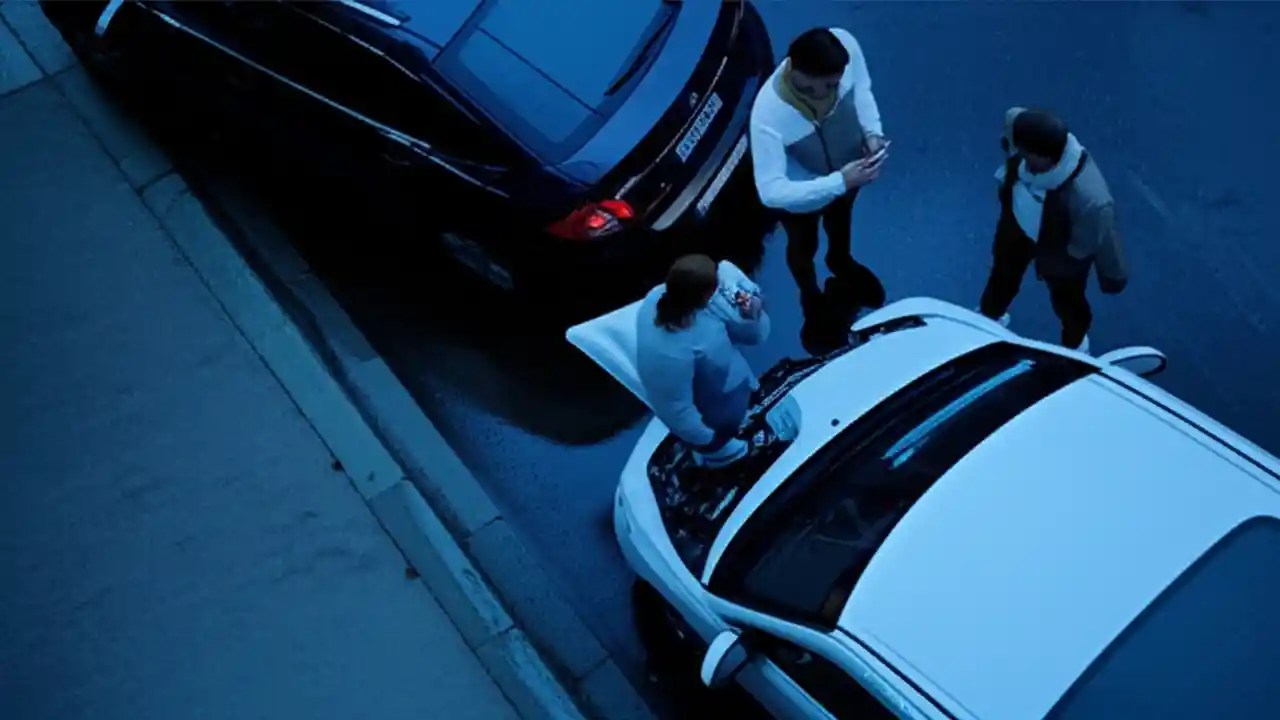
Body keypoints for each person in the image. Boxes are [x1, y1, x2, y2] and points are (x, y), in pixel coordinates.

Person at [749, 26, 889, 336]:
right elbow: (770, 191)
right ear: (801, 74)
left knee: (841, 224)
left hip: (847, 174)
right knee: (803, 245)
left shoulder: (845, 46)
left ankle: (839, 259)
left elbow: (861, 90)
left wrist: (872, 133)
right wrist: (839, 182)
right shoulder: (768, 115)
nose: (834, 90)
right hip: (804, 198)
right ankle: (808, 291)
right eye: (828, 85)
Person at [978, 107, 1129, 353]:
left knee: (1068, 302)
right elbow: (1012, 118)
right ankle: (990, 316)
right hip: (1017, 229)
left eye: (1026, 154)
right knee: (1002, 277)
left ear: (1045, 157)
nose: (1019, 156)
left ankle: (1076, 346)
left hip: (1060, 252)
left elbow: (1100, 239)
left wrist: (1110, 275)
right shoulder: (1024, 138)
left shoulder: (1089, 198)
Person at [636, 254, 770, 467]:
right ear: (703, 295)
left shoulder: (660, 296)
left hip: (733, 391)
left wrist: (748, 311)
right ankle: (727, 461)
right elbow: (673, 408)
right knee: (738, 461)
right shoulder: (670, 353)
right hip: (717, 418)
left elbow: (751, 334)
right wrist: (711, 442)